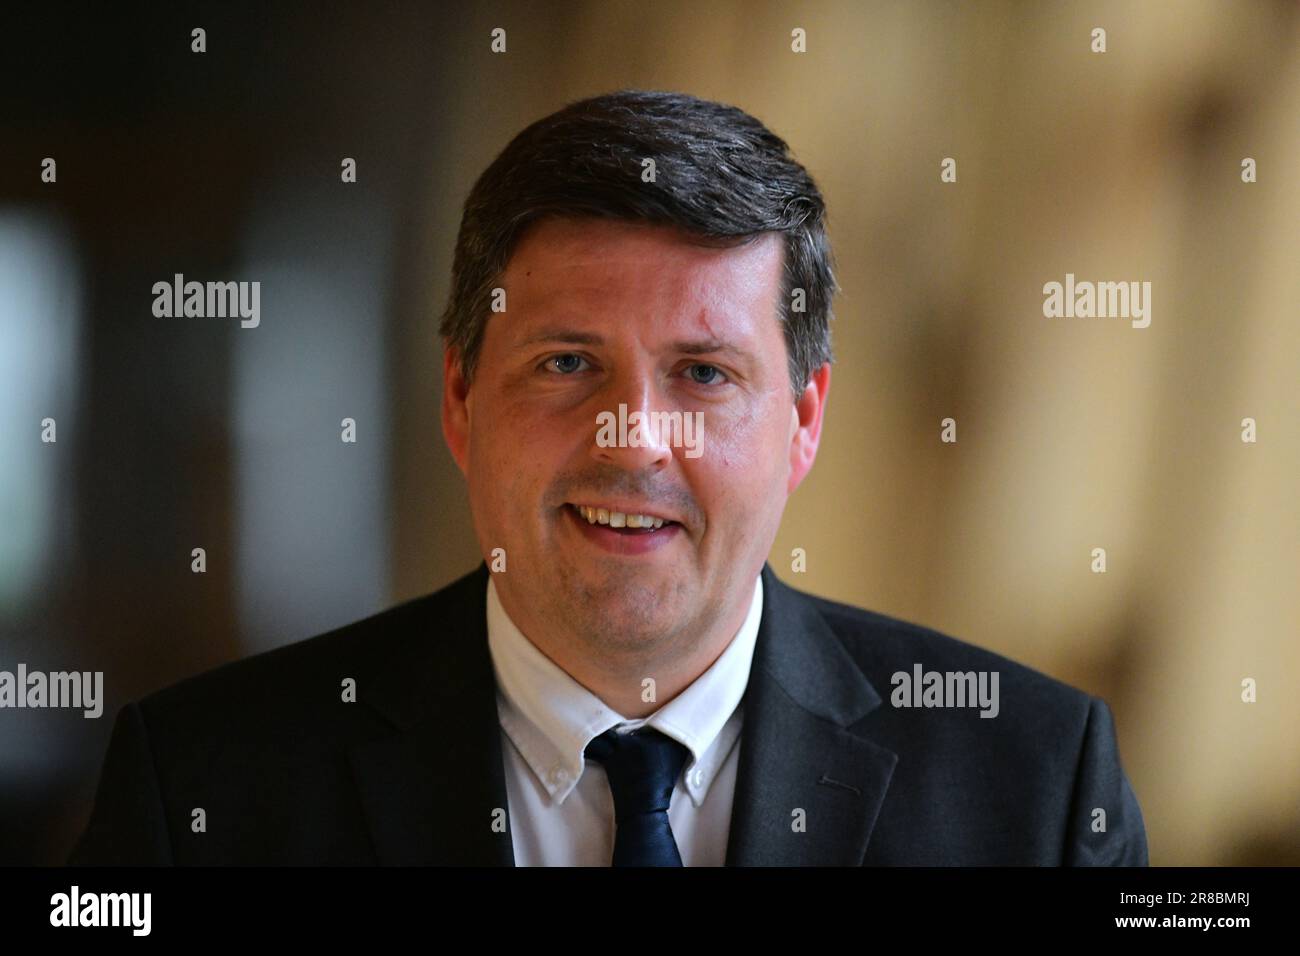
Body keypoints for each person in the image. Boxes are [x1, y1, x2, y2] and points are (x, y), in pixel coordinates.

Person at [68, 89, 1147, 866]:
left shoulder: (1036, 787)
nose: (633, 439)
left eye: (704, 372)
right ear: (458, 395)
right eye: (567, 364)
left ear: (804, 417)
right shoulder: (204, 786)